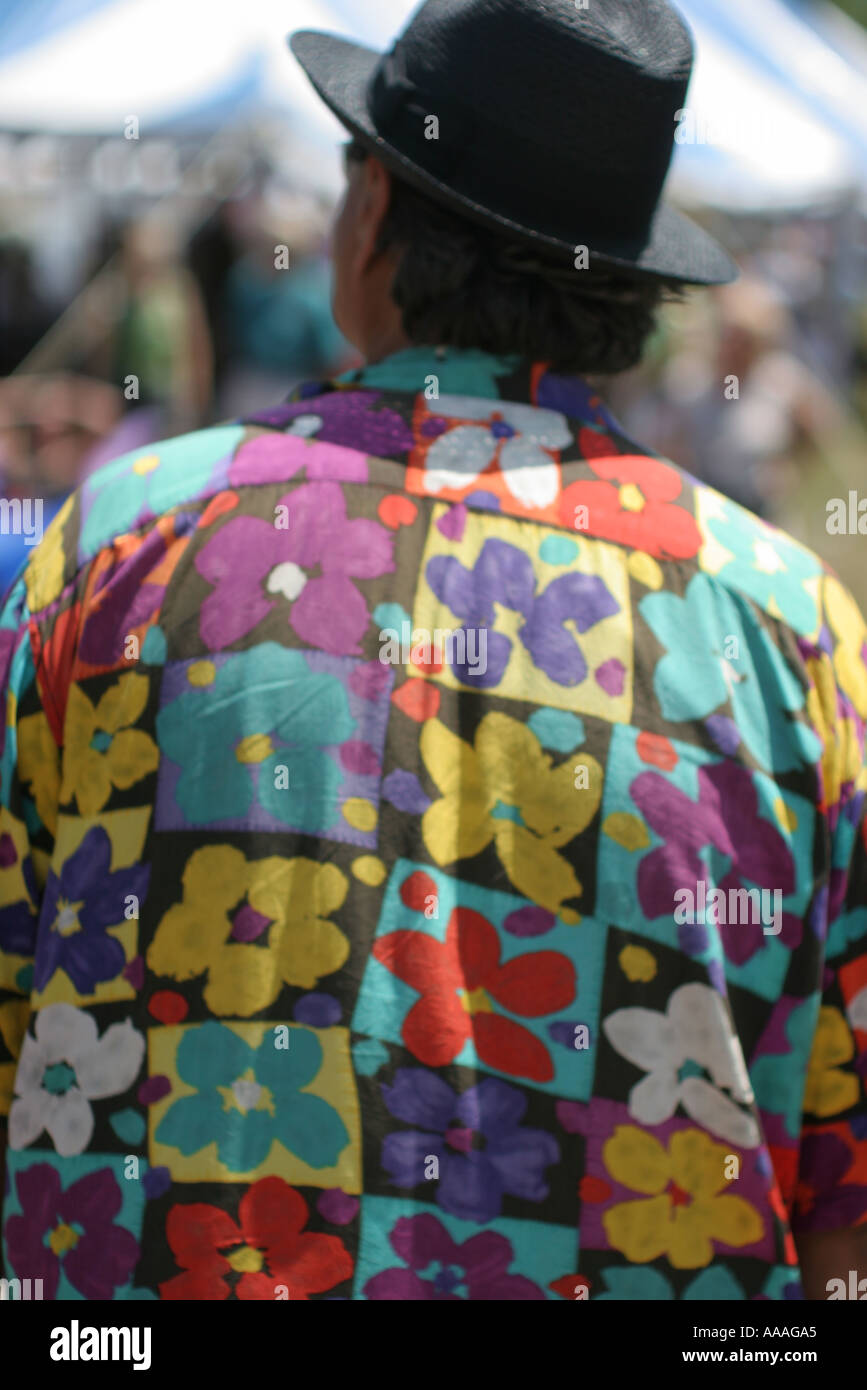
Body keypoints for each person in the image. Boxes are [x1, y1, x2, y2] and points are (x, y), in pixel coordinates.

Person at [0, 0, 865, 1303]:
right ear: (632, 284)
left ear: (374, 214)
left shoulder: (127, 543)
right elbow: (844, 1190)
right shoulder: (790, 629)